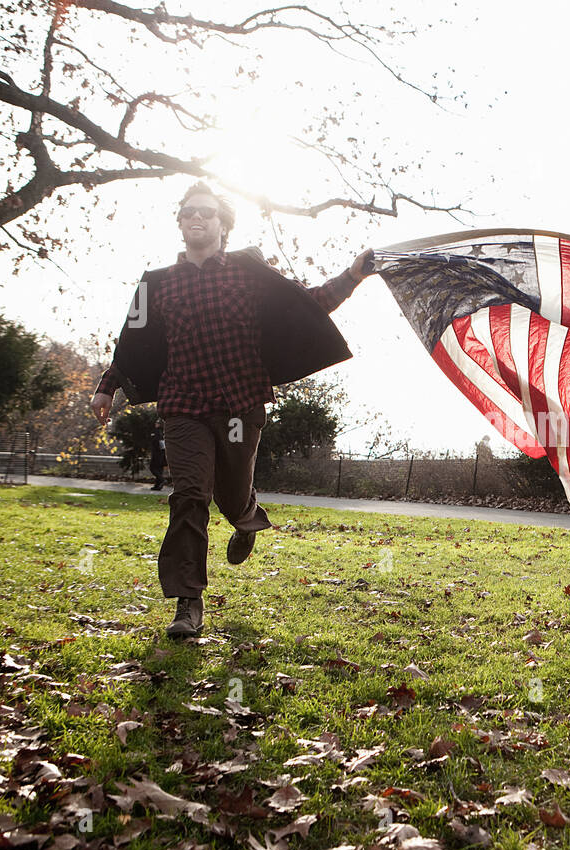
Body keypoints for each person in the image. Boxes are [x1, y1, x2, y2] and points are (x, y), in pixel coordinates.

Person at [90, 181, 374, 637]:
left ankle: (245, 519)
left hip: (241, 405)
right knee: (189, 496)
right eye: (187, 213)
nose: (195, 219)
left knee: (232, 491)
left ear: (223, 223)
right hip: (183, 403)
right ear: (180, 224)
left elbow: (310, 303)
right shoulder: (156, 283)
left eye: (205, 212)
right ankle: (187, 603)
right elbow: (133, 341)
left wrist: (354, 275)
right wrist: (107, 387)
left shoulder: (249, 271)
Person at [148, 422, 167, 491]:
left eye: (157, 423)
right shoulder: (163, 432)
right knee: (159, 469)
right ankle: (157, 486)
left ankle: (162, 480)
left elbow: (157, 442)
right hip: (162, 453)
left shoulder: (157, 432)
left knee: (152, 468)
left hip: (157, 453)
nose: (155, 424)